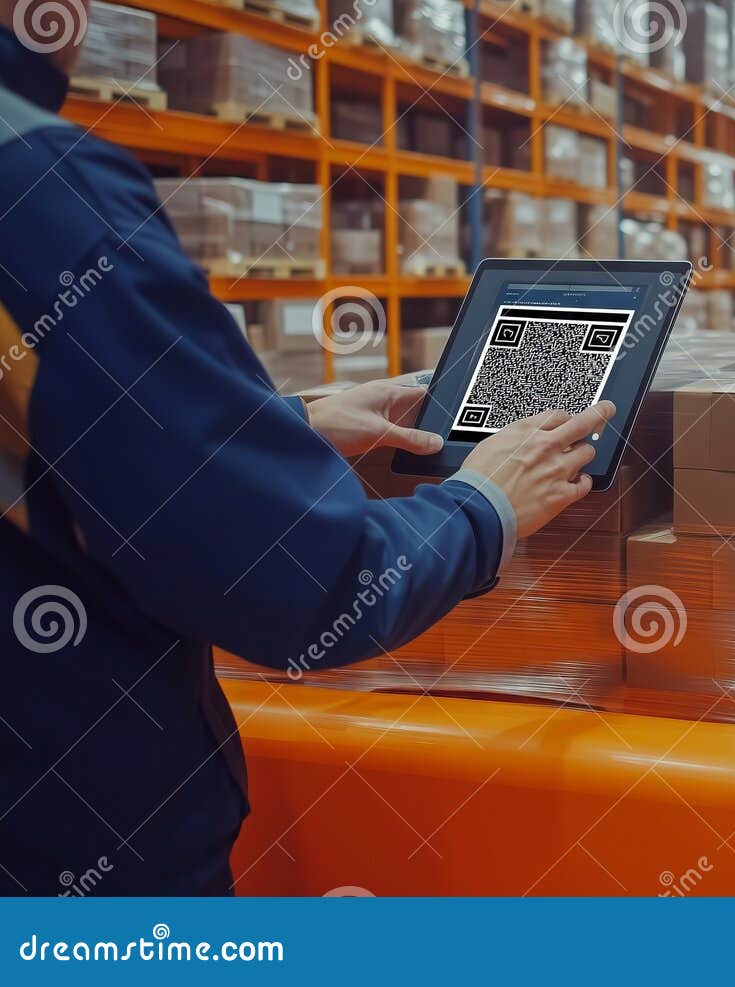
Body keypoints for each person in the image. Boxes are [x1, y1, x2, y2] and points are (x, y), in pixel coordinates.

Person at [0, 12, 613, 894]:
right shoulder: (41, 184)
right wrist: (484, 506)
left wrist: (273, 424)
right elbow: (296, 583)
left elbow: (48, 441)